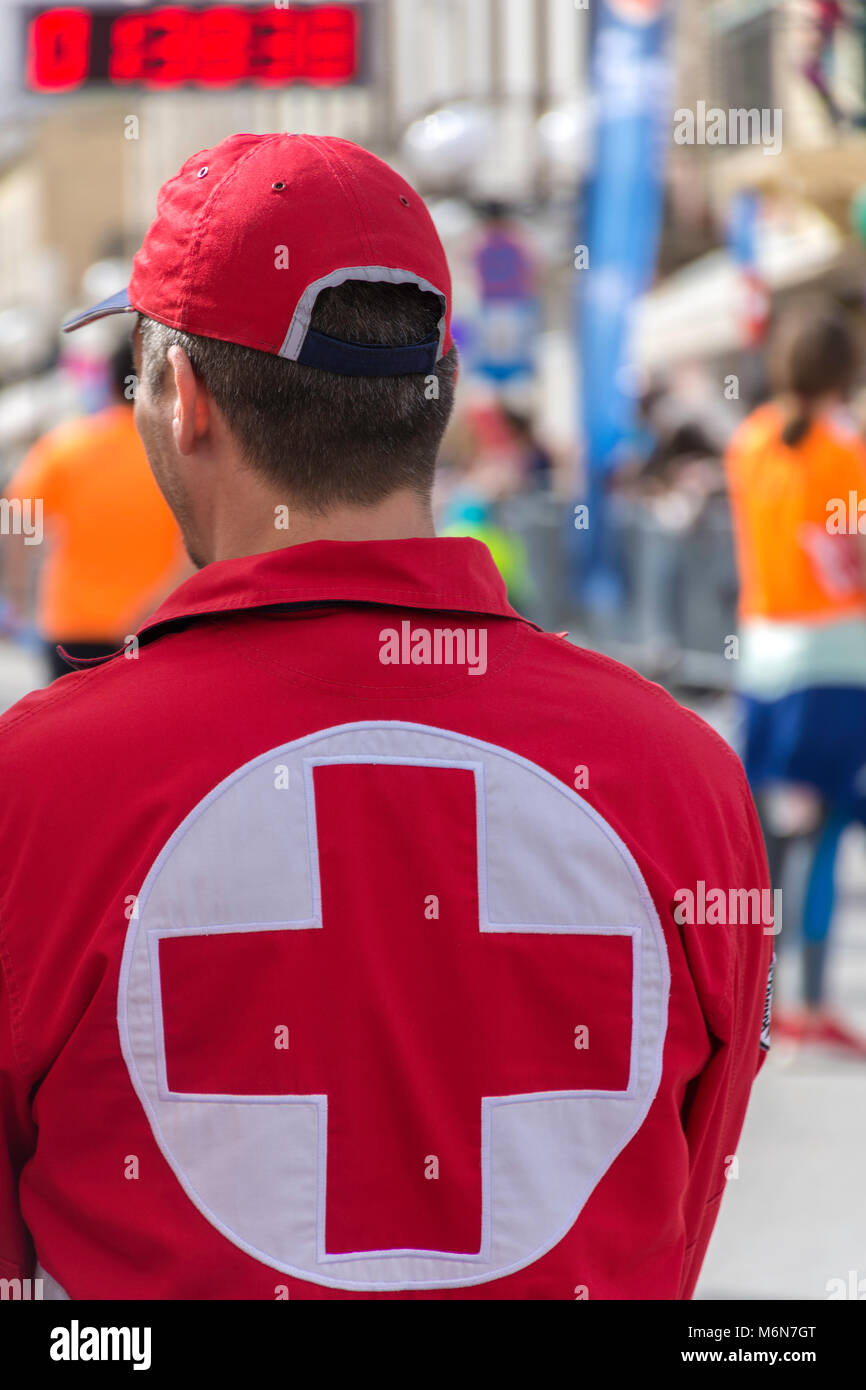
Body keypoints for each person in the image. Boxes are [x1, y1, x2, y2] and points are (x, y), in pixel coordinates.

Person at [0, 132, 771, 1301]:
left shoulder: (37, 789)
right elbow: (676, 1212)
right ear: (439, 394)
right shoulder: (680, 777)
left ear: (185, 397)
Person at [725, 298, 866, 1054]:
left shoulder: (748, 443)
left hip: (764, 656)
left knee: (769, 842)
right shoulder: (849, 450)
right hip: (837, 659)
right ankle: (811, 1003)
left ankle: (762, 1003)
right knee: (828, 829)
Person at [2, 340, 185, 680]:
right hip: (150, 626)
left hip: (72, 626)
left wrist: (16, 593)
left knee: (69, 730)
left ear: (109, 382)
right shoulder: (176, 457)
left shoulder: (66, 446)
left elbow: (16, 517)